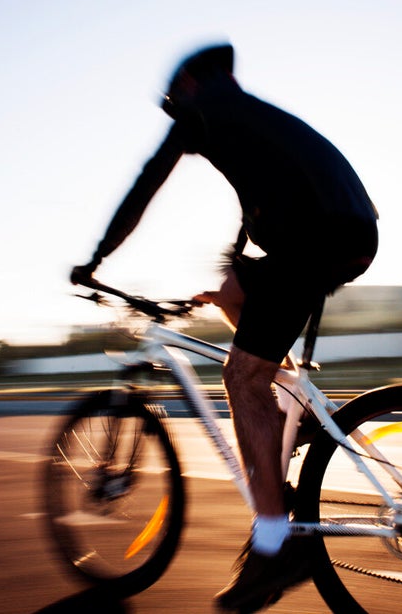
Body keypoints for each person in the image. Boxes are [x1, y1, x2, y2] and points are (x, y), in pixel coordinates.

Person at [71, 43, 378, 611]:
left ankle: (274, 545)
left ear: (189, 85)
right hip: (343, 230)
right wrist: (233, 280)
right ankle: (296, 408)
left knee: (240, 378)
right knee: (235, 291)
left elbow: (144, 187)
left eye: (174, 99)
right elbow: (261, 202)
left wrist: (96, 258)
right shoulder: (249, 119)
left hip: (315, 238)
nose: (174, 110)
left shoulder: (203, 108)